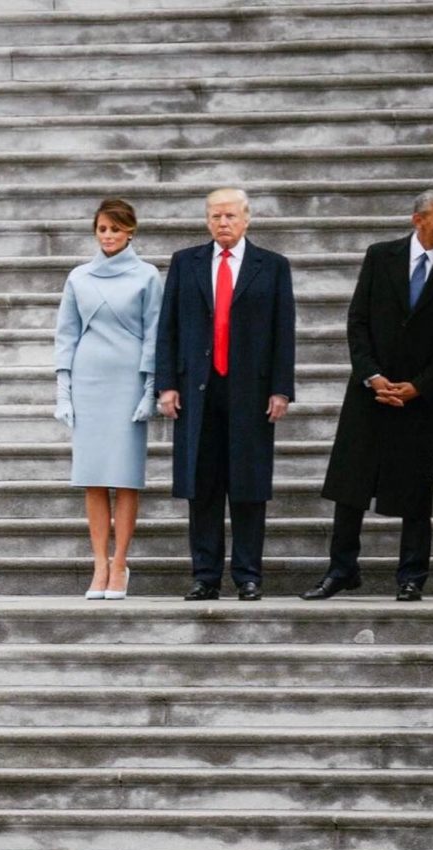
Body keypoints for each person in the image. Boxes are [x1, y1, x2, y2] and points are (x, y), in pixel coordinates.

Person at [301, 189, 433, 602]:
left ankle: (412, 575)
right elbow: (357, 320)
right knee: (351, 483)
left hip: (419, 397)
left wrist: (420, 385)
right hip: (369, 392)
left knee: (415, 487)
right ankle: (342, 569)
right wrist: (371, 375)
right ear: (418, 220)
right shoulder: (381, 256)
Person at [155, 187, 295, 601]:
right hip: (198, 391)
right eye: (216, 216)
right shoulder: (186, 263)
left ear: (247, 219)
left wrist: (281, 388)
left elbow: (282, 332)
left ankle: (249, 574)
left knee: (249, 486)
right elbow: (169, 327)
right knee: (203, 486)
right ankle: (205, 575)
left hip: (249, 391)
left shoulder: (271, 266)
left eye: (231, 216)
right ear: (207, 220)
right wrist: (166, 384)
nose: (223, 223)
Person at [54, 198, 163, 600]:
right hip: (89, 380)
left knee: (125, 478)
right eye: (102, 229)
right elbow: (66, 333)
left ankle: (120, 563)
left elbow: (155, 332)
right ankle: (99, 564)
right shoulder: (79, 277)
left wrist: (150, 386)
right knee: (93, 478)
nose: (109, 236)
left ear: (130, 231)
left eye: (116, 229)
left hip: (127, 380)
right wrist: (63, 389)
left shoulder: (148, 276)